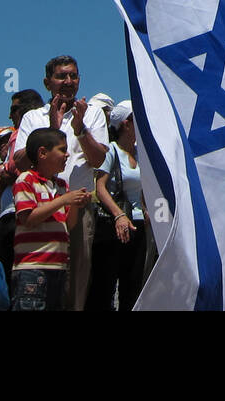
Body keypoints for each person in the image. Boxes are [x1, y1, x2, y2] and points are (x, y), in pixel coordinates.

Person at [13, 57, 108, 310]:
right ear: (47, 82)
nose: (68, 82)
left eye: (73, 76)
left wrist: (79, 129)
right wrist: (53, 127)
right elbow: (20, 162)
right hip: (37, 206)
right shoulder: (33, 117)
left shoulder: (93, 114)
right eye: (61, 76)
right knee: (40, 282)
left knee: (76, 281)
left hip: (77, 208)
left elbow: (98, 159)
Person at [12, 129, 91, 311]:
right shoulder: (26, 180)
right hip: (32, 267)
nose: (67, 154)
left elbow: (69, 224)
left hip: (58, 267)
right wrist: (63, 200)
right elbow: (28, 219)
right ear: (42, 153)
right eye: (62, 150)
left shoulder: (61, 186)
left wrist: (76, 205)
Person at [90, 100, 147, 311]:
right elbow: (100, 187)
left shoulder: (142, 152)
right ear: (125, 123)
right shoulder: (111, 151)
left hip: (139, 225)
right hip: (116, 226)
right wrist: (119, 215)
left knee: (133, 286)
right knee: (106, 286)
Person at [0, 89, 44, 288]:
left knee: (11, 279)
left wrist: (4, 172)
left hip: (17, 214)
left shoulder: (21, 134)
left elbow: (15, 166)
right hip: (14, 213)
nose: (10, 115)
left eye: (14, 109)